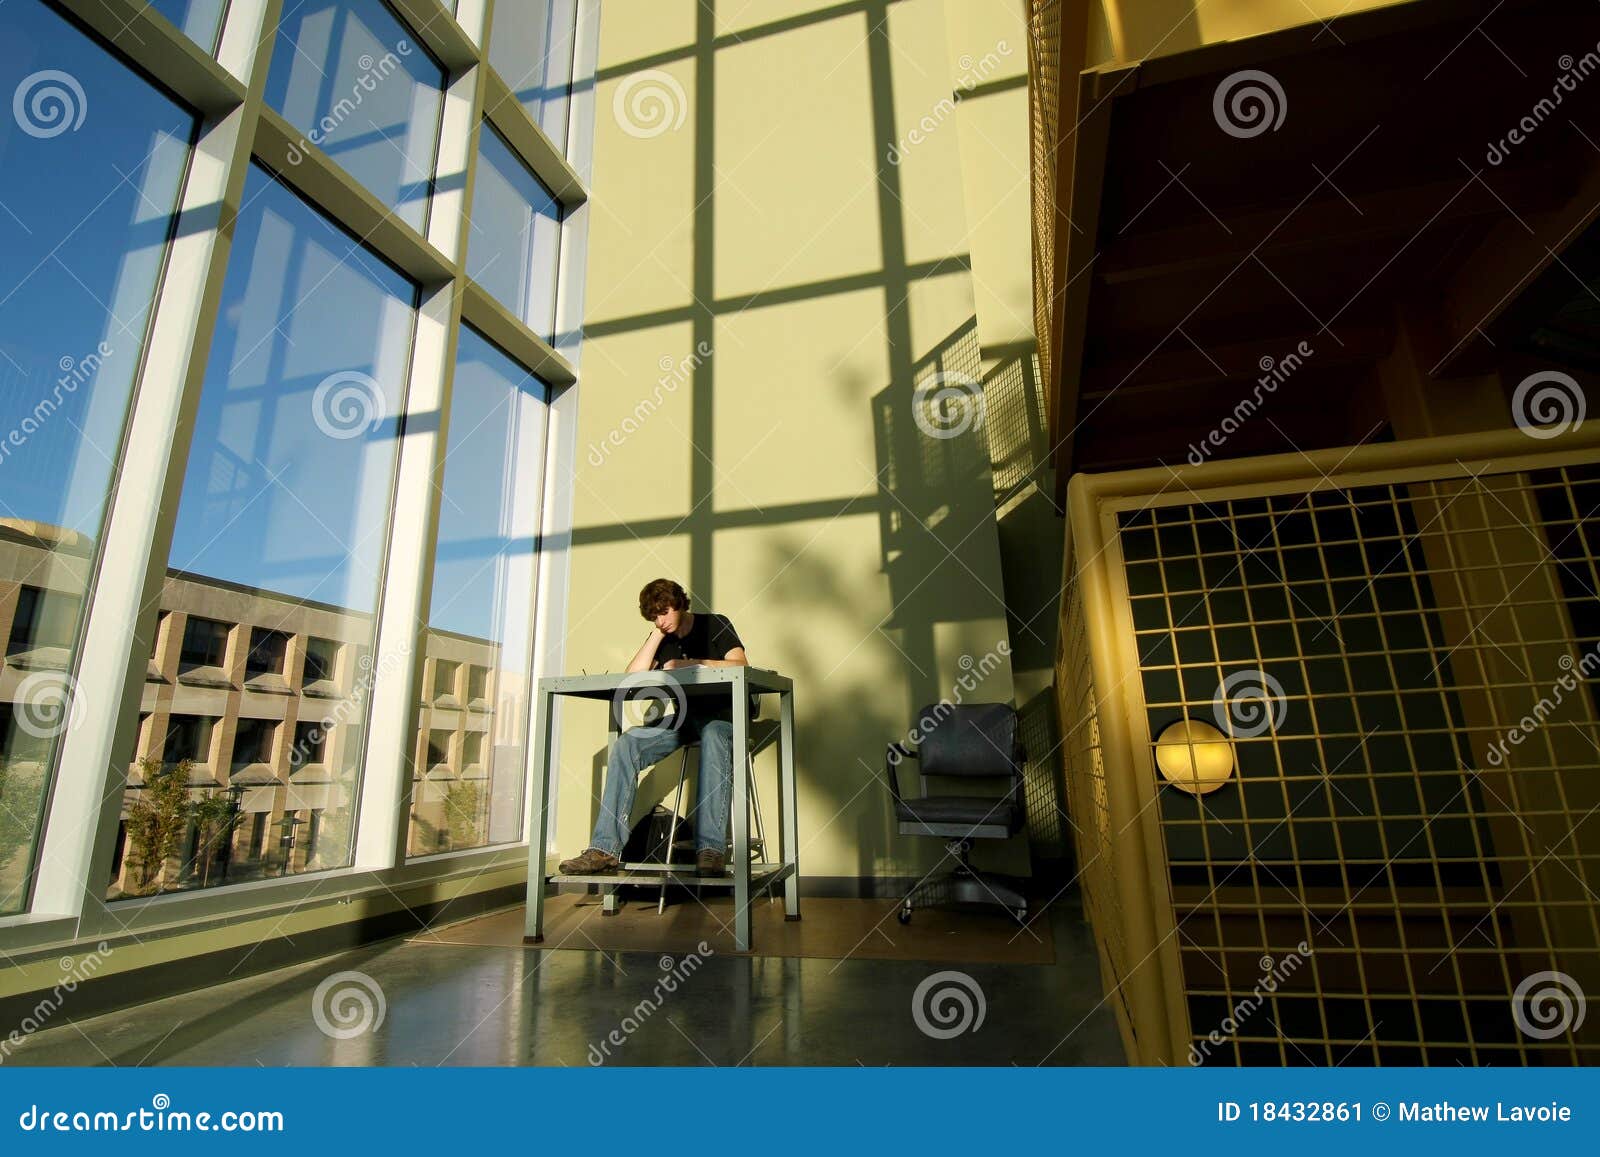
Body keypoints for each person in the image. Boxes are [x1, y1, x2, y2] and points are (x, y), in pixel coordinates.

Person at [558, 578, 748, 878]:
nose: (662, 620)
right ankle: (604, 849)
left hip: (725, 716)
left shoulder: (715, 624)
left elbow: (741, 666)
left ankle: (710, 850)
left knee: (712, 734)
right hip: (685, 718)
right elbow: (633, 676)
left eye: (665, 612)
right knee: (627, 743)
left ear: (680, 603)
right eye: (654, 616)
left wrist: (692, 664)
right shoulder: (663, 635)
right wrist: (656, 636)